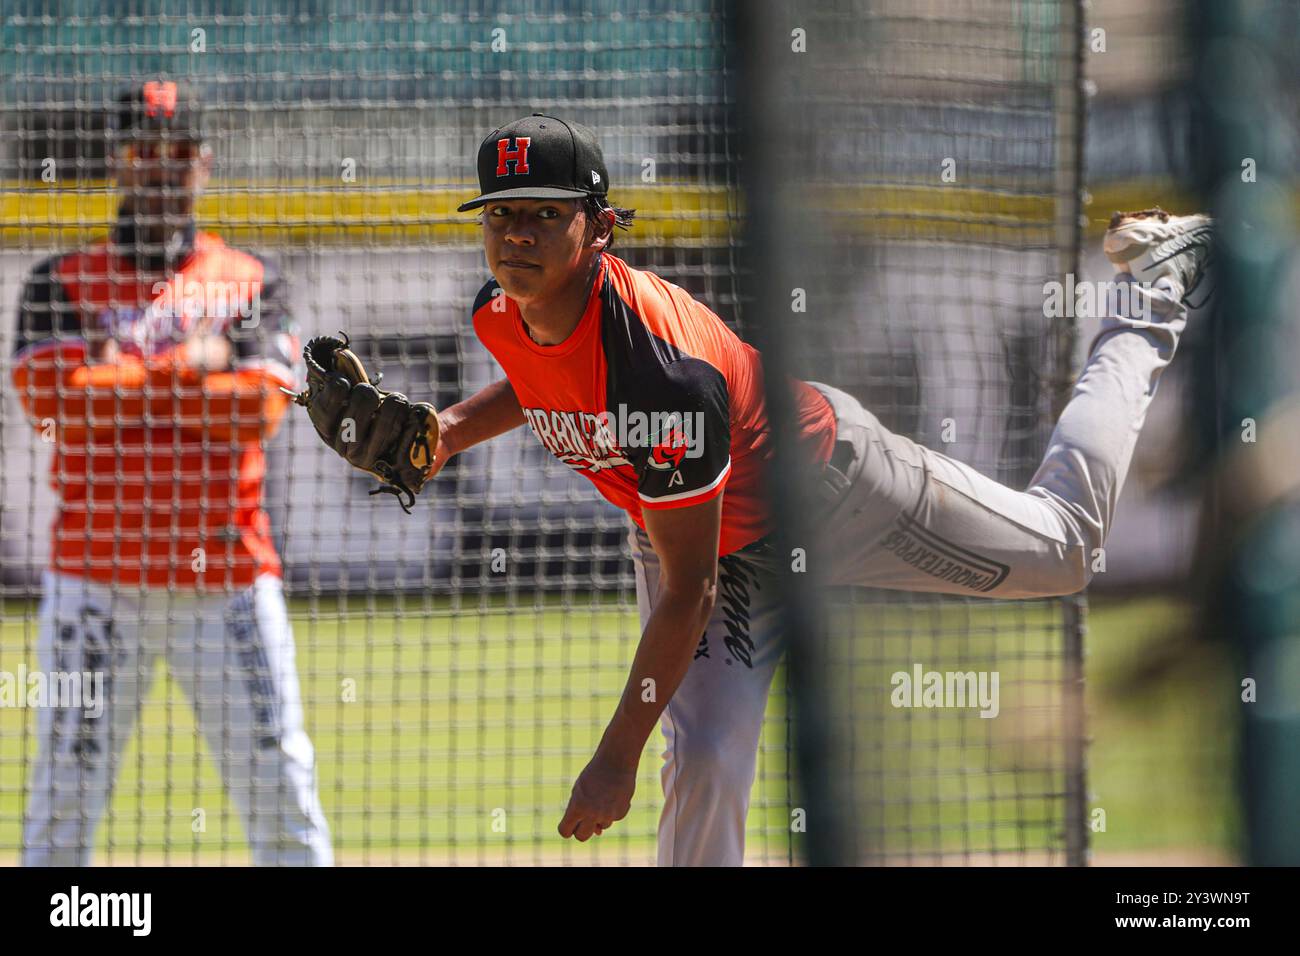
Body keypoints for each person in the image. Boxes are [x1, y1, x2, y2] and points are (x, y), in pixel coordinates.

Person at [330, 113, 1211, 866]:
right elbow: (542, 379)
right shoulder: (500, 308)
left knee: (1065, 554)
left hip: (831, 495)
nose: (516, 235)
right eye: (500, 215)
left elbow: (687, 591)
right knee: (708, 759)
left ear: (597, 228)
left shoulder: (662, 373)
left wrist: (615, 755)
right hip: (713, 547)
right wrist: (445, 433)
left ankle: (1151, 291)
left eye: (543, 216)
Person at [11, 80, 332, 866]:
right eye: (142, 151)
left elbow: (257, 410)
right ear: (117, 165)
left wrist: (122, 374)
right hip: (93, 581)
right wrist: (192, 364)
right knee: (62, 799)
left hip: (227, 579)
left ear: (204, 165)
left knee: (283, 789)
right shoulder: (59, 281)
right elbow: (56, 408)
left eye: (178, 153)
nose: (160, 167)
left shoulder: (252, 280)